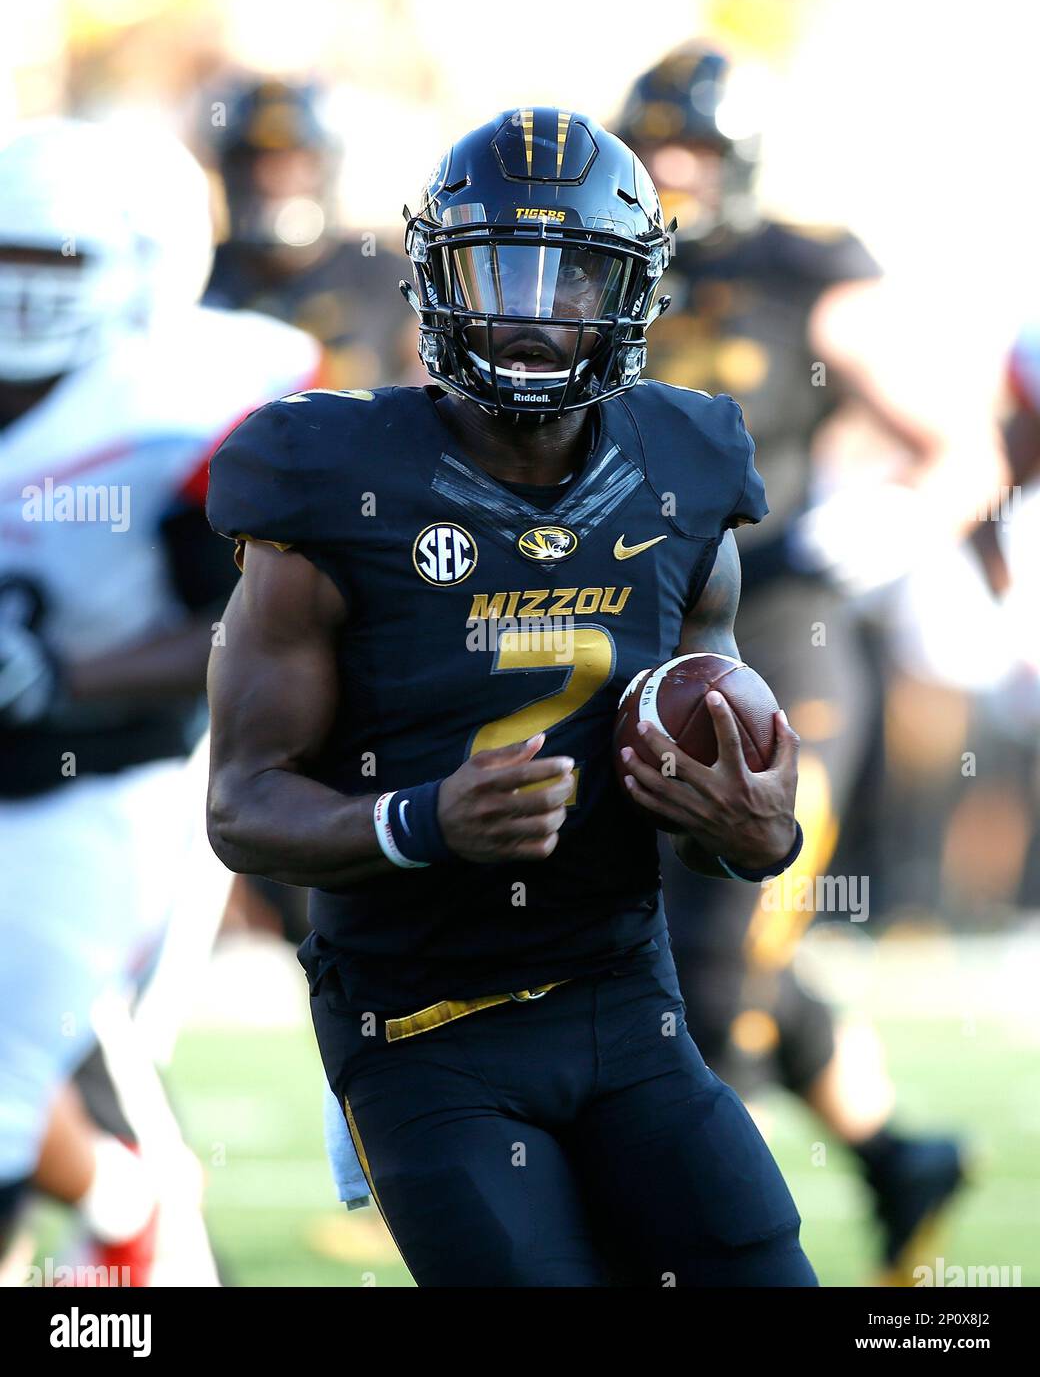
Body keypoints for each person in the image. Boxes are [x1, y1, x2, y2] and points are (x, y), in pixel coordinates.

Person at [206, 106, 816, 1288]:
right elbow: (238, 805)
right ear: (436, 276)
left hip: (621, 1007)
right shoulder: (327, 481)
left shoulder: (685, 472)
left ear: (631, 291)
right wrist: (422, 821)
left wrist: (756, 832)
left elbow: (711, 764)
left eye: (571, 276)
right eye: (500, 268)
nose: (531, 313)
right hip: (425, 1032)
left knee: (760, 1266)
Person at [615, 42, 1001, 1281]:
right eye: (657, 146)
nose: (673, 172)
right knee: (656, 934)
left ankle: (691, 1247)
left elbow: (963, 444)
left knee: (719, 944)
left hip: (777, 643)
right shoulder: (600, 258)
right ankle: (896, 1157)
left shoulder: (801, 270)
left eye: (696, 151)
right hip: (619, 641)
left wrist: (901, 519)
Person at [0, 117, 321, 1283]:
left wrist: (67, 675)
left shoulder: (181, 397)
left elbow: (258, 626)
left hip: (107, 782)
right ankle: (127, 1222)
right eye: (2, 257)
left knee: (28, 1084)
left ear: (140, 266)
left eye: (49, 262)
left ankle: (134, 1241)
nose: (17, 290)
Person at [202, 77, 415, 389]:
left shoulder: (387, 277)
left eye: (294, 162)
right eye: (254, 161)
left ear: (323, 167)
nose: (272, 180)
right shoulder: (198, 277)